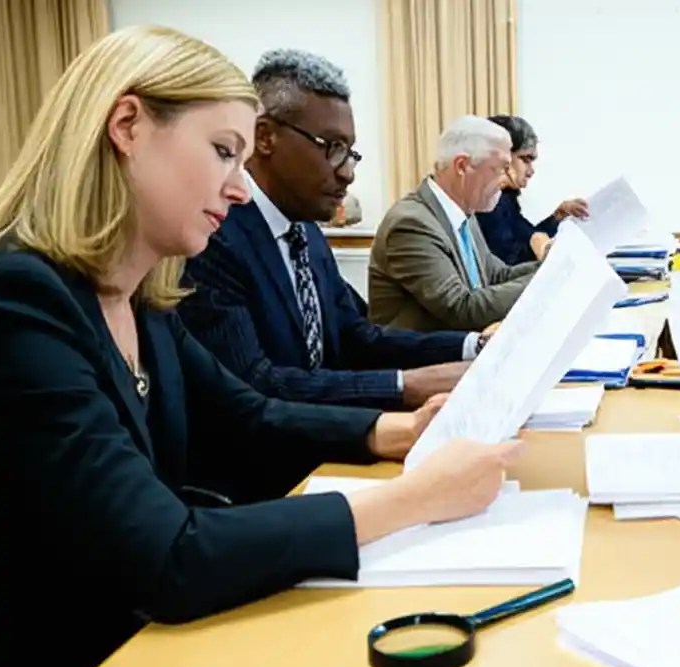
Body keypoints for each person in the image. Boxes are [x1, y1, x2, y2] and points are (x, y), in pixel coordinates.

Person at [0, 27, 522, 667]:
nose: (240, 190)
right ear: (127, 125)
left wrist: (395, 433)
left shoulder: (143, 302)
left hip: (154, 646)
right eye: (222, 153)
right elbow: (167, 555)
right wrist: (416, 497)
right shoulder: (19, 302)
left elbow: (249, 412)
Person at [179, 49, 478, 411]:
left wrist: (472, 346)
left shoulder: (305, 231)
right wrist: (404, 386)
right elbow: (255, 383)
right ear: (265, 137)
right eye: (333, 147)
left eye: (350, 152)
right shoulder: (215, 236)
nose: (347, 172)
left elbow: (357, 338)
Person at [370, 116, 540, 332]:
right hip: (424, 361)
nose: (508, 178)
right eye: (502, 168)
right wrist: (550, 279)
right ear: (463, 166)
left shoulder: (463, 214)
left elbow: (497, 276)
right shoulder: (411, 223)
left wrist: (552, 264)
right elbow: (462, 310)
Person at [475, 115, 589, 264]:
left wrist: (558, 216)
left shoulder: (506, 197)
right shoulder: (487, 201)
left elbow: (530, 238)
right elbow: (510, 260)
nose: (530, 171)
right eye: (525, 159)